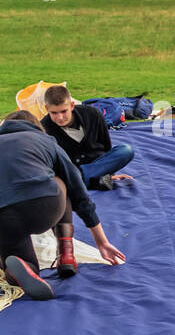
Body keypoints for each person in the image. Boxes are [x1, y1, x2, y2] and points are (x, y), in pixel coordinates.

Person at [0, 111, 126, 300]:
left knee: (19, 261)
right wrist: (102, 241)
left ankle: (18, 268)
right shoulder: (46, 141)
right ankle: (66, 253)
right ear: (36, 126)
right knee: (62, 180)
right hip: (45, 205)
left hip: (4, 216)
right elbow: (78, 190)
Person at [40, 85, 135, 191]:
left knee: (126, 150)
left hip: (94, 165)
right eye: (54, 113)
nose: (60, 117)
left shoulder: (93, 115)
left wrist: (108, 170)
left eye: (63, 111)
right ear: (47, 109)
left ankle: (80, 181)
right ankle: (94, 180)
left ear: (72, 106)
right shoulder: (43, 129)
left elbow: (106, 146)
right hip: (70, 170)